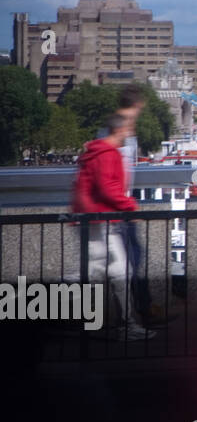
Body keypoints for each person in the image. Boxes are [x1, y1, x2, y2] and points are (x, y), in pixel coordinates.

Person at [67, 113, 155, 340]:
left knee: (111, 271)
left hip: (93, 218)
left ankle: (123, 325)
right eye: (129, 129)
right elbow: (107, 187)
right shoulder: (108, 154)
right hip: (99, 219)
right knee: (101, 272)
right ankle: (46, 308)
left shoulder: (96, 151)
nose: (131, 133)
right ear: (119, 131)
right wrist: (130, 206)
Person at [99, 84, 161, 325]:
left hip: (121, 206)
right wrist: (124, 204)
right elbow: (109, 174)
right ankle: (139, 315)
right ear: (134, 106)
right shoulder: (116, 131)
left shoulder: (126, 131)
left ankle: (143, 311)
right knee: (121, 264)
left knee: (129, 260)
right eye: (139, 109)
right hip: (116, 209)